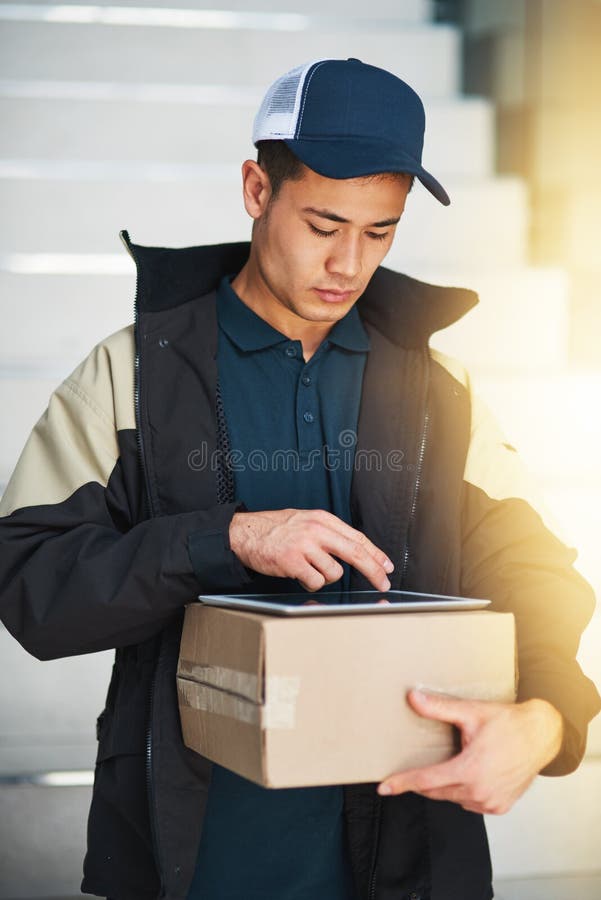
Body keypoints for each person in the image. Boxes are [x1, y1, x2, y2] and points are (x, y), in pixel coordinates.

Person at [0, 58, 599, 900]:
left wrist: (546, 715)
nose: (348, 263)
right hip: (197, 858)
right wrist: (224, 540)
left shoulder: (440, 390)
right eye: (323, 224)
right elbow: (32, 583)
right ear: (256, 190)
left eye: (380, 232)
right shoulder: (131, 374)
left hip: (407, 854)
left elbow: (533, 570)